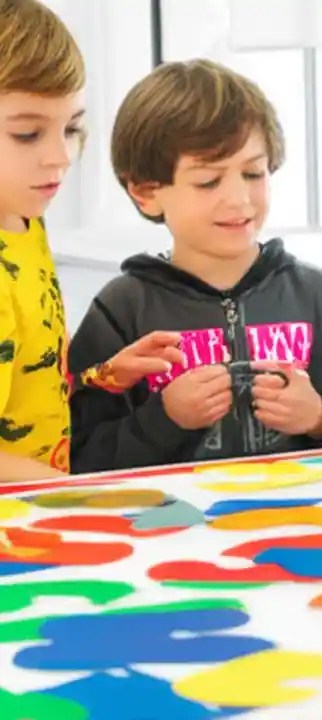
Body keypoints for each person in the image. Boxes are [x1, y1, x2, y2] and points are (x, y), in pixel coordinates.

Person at [68, 59, 322, 472]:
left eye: (254, 173)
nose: (240, 199)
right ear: (146, 192)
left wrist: (321, 418)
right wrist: (163, 421)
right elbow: (78, 459)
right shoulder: (121, 311)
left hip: (307, 523)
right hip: (168, 530)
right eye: (208, 181)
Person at [0, 0, 182, 480]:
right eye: (26, 134)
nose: (60, 156)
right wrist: (79, 494)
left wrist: (100, 376)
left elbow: (30, 389)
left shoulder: (24, 220)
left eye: (72, 128)